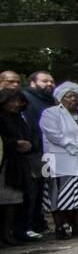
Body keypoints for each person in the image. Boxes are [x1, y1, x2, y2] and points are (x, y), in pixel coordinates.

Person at [38, 82, 78, 240]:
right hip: (58, 160)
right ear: (61, 99)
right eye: (69, 96)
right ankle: (60, 227)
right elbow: (55, 135)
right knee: (59, 194)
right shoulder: (50, 114)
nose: (73, 99)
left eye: (75, 96)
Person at [0, 85, 40, 242]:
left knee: (18, 200)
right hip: (6, 163)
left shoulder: (20, 119)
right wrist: (15, 144)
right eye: (11, 101)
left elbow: (31, 137)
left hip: (21, 164)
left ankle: (17, 230)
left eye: (18, 101)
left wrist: (29, 144)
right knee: (6, 200)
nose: (15, 105)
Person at [21, 70, 55, 236]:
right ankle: (27, 226)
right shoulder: (25, 99)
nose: (49, 84)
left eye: (51, 81)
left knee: (42, 188)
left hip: (47, 153)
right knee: (32, 189)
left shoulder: (50, 101)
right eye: (44, 81)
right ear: (33, 83)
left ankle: (38, 222)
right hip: (33, 152)